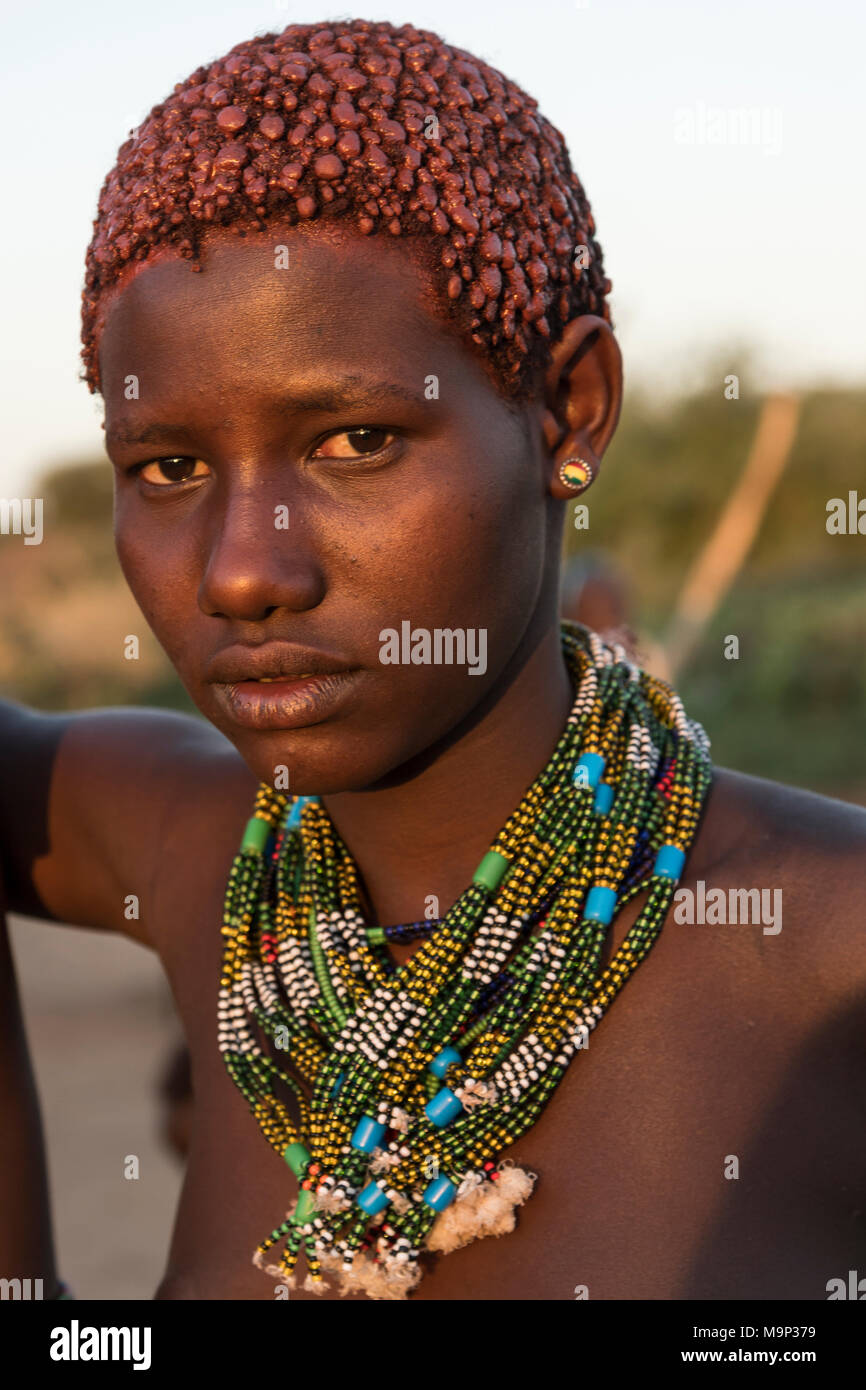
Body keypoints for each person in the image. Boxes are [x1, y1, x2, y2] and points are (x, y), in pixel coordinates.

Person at [1, 17, 863, 1301]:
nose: (242, 571)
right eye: (169, 467)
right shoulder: (202, 859)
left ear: (567, 412)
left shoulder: (827, 961)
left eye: (352, 441)